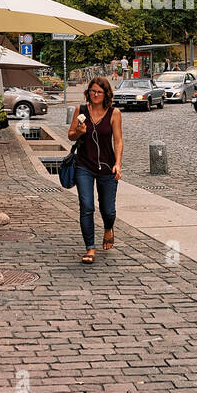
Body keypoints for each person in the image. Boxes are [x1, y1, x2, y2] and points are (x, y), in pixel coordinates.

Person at [67, 76, 123, 264]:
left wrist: (118, 163)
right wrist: (79, 132)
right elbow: (71, 136)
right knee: (87, 206)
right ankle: (90, 248)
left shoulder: (114, 113)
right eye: (93, 91)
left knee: (108, 209)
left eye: (99, 92)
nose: (95, 95)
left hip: (107, 167)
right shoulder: (80, 110)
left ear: (106, 94)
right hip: (84, 165)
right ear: (88, 92)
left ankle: (108, 227)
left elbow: (118, 140)